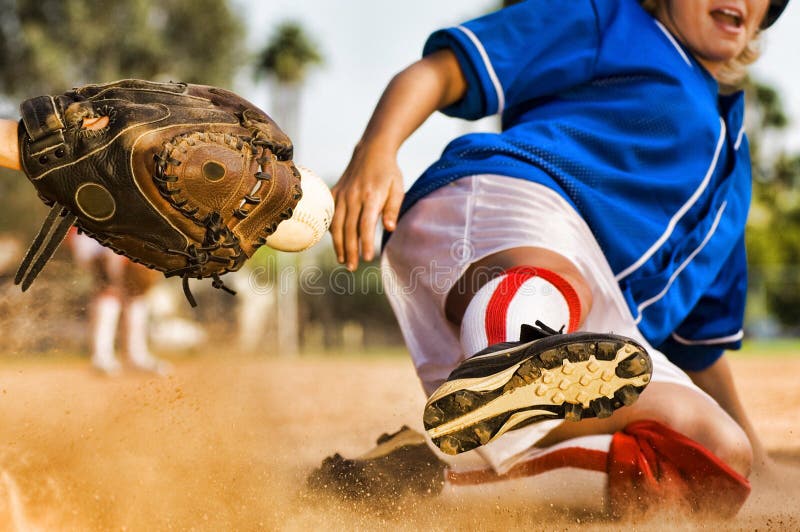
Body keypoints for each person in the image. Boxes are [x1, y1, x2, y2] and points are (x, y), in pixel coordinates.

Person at [320, 0, 789, 517]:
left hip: (600, 325)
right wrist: (377, 148)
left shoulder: (734, 174)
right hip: (505, 205)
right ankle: (520, 355)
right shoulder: (611, 20)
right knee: (559, 287)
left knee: (714, 453)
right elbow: (443, 71)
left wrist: (758, 458)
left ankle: (424, 478)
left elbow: (699, 348)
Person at [68, 227, 171, 376]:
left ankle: (137, 356)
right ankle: (102, 358)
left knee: (136, 292)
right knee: (109, 292)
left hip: (120, 234)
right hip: (91, 233)